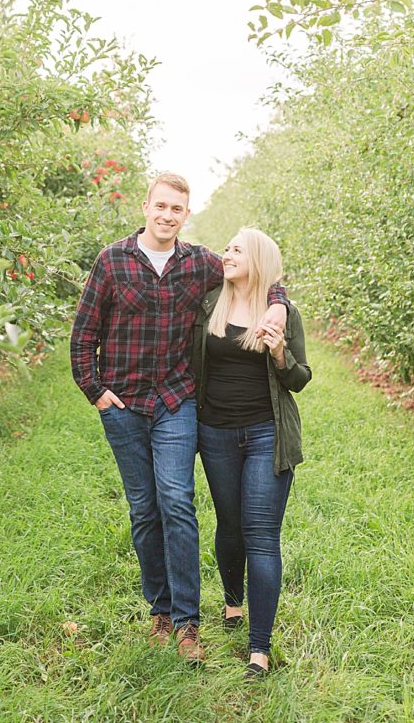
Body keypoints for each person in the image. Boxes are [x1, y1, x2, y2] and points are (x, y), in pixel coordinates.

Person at [70, 172, 288, 663]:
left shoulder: (199, 263)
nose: (167, 216)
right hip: (123, 405)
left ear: (186, 216)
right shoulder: (111, 261)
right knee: (144, 509)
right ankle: (161, 610)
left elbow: (260, 272)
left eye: (177, 209)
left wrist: (277, 307)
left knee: (176, 501)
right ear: (145, 207)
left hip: (176, 401)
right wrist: (96, 391)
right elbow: (84, 335)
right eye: (161, 206)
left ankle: (189, 623)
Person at [192, 227, 310, 678]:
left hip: (266, 433)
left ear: (257, 259)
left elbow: (299, 379)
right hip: (215, 432)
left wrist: (279, 353)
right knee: (229, 524)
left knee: (261, 536)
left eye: (237, 249)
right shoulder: (209, 302)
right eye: (226, 248)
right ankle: (232, 602)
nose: (227, 254)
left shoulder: (284, 313)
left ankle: (259, 649)